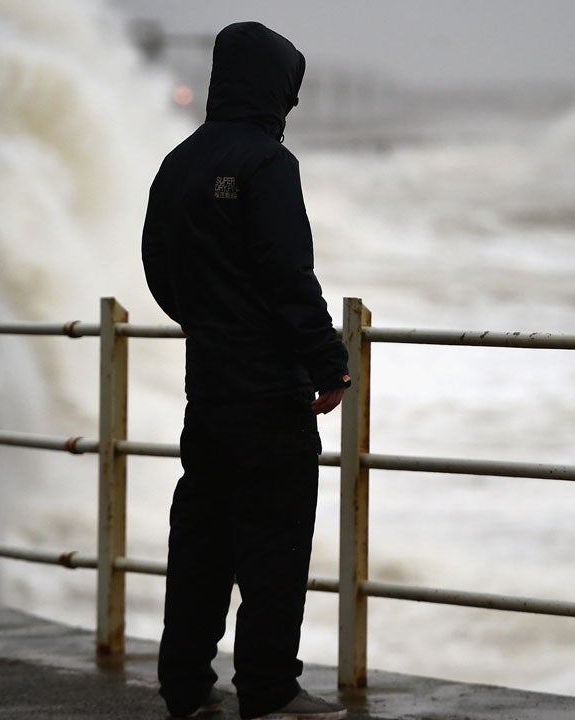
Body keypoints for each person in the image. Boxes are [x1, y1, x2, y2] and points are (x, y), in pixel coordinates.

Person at [141, 21, 351, 720]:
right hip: (268, 394)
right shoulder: (268, 163)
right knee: (275, 547)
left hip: (208, 389)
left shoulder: (179, 161)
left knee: (200, 542)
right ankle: (267, 689)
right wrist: (328, 362)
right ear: (273, 87)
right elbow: (288, 274)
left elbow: (158, 267)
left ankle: (183, 686)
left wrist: (212, 324)